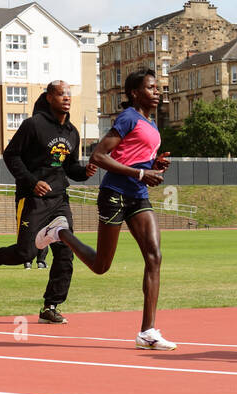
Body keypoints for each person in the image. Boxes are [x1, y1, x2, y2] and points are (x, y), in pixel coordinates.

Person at [34, 70, 175, 350]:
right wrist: (139, 174)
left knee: (154, 256)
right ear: (135, 93)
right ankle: (60, 232)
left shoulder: (151, 123)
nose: (157, 92)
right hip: (115, 195)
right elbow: (99, 156)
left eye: (158, 88)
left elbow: (136, 160)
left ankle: (147, 331)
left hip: (138, 195)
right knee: (100, 266)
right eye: (151, 88)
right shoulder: (128, 118)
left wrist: (153, 166)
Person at [0, 81, 89, 324]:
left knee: (64, 251)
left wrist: (86, 171)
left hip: (60, 199)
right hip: (32, 199)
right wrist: (31, 181)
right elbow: (11, 154)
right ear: (49, 97)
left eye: (69, 94)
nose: (67, 98)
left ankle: (51, 306)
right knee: (26, 252)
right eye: (61, 94)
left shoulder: (72, 132)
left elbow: (70, 168)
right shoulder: (33, 125)